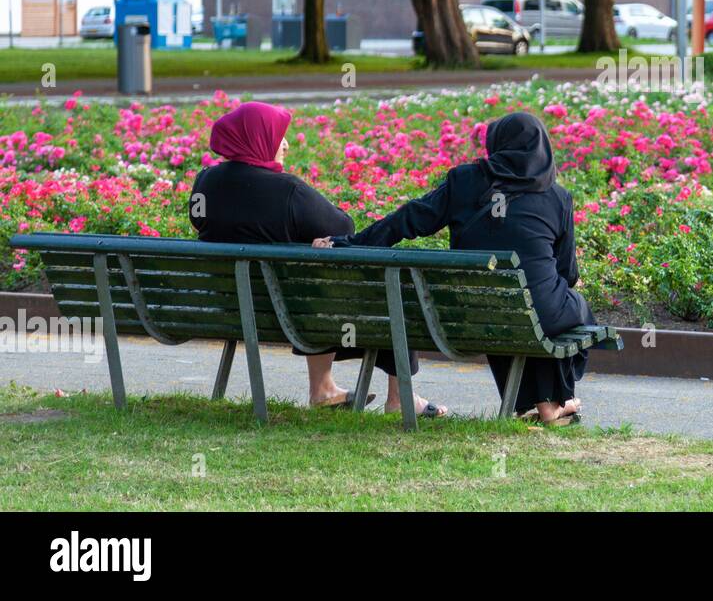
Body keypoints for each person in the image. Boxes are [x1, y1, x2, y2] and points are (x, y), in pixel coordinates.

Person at [314, 111, 592, 425]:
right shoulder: (557, 197)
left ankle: (539, 402)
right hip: (533, 310)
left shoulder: (465, 180)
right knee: (559, 307)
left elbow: (410, 219)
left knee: (513, 308)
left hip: (467, 311)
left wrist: (350, 243)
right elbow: (567, 273)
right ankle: (551, 403)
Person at [189, 101, 446, 418]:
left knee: (309, 277)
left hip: (230, 307)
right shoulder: (286, 189)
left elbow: (205, 223)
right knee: (387, 290)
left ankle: (324, 389)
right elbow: (343, 227)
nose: (284, 143)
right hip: (292, 312)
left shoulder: (205, 183)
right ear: (258, 138)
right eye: (278, 135)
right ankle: (400, 397)